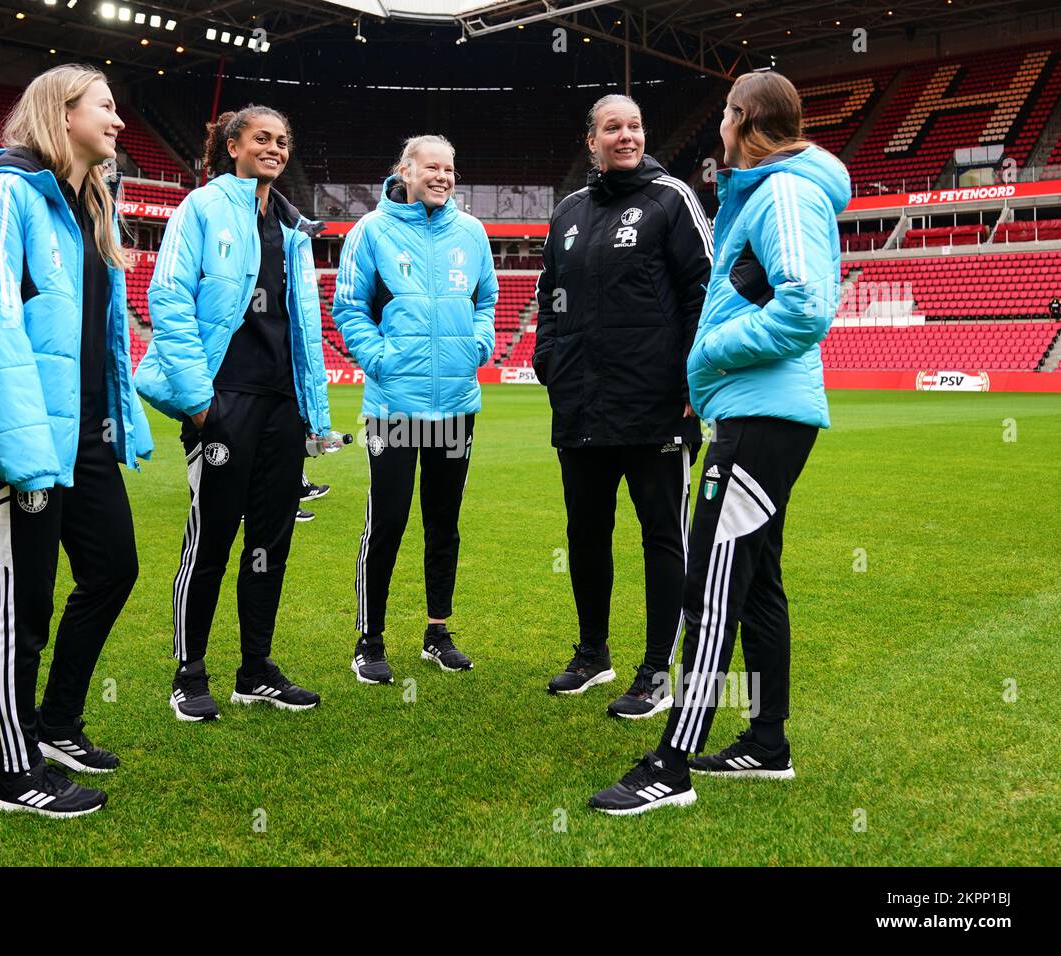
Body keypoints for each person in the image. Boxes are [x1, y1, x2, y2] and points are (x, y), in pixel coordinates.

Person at [587, 70, 851, 815]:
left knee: (711, 588)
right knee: (757, 580)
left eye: (726, 114)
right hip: (758, 412)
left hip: (761, 418)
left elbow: (806, 304)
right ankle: (767, 744)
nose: (719, 129)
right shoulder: (766, 192)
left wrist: (711, 353)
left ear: (741, 118)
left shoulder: (785, 192)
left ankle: (671, 765)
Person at [0, 64, 154, 818]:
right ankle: (16, 774)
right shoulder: (2, 197)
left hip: (82, 438)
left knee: (114, 569)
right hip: (18, 444)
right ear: (60, 114)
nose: (119, 122)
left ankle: (56, 723)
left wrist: (118, 424)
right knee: (20, 608)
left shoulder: (87, 206)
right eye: (105, 107)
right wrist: (29, 458)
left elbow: (97, 340)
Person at [134, 104, 331, 719]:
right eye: (261, 139)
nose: (273, 148)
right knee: (212, 539)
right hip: (224, 402)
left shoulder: (294, 228)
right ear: (232, 146)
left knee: (269, 541)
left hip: (281, 408)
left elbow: (302, 329)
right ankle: (189, 671)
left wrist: (312, 415)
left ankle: (256, 669)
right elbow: (167, 296)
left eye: (282, 139)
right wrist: (198, 403)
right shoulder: (201, 208)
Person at [534, 94, 712, 718]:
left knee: (663, 536)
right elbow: (549, 293)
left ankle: (657, 669)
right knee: (585, 533)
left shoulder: (672, 199)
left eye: (635, 125)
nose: (627, 136)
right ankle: (592, 653)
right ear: (592, 140)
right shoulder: (569, 213)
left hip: (655, 405)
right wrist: (547, 362)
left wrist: (693, 378)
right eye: (614, 127)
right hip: (581, 404)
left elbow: (703, 291)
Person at [334, 134, 498, 685]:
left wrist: (477, 346)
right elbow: (348, 307)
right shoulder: (370, 232)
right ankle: (370, 639)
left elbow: (488, 301)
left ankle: (437, 633)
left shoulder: (471, 233)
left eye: (450, 168)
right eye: (432, 167)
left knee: (444, 524)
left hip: (457, 403)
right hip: (394, 407)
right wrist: (381, 359)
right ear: (404, 170)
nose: (443, 176)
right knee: (387, 523)